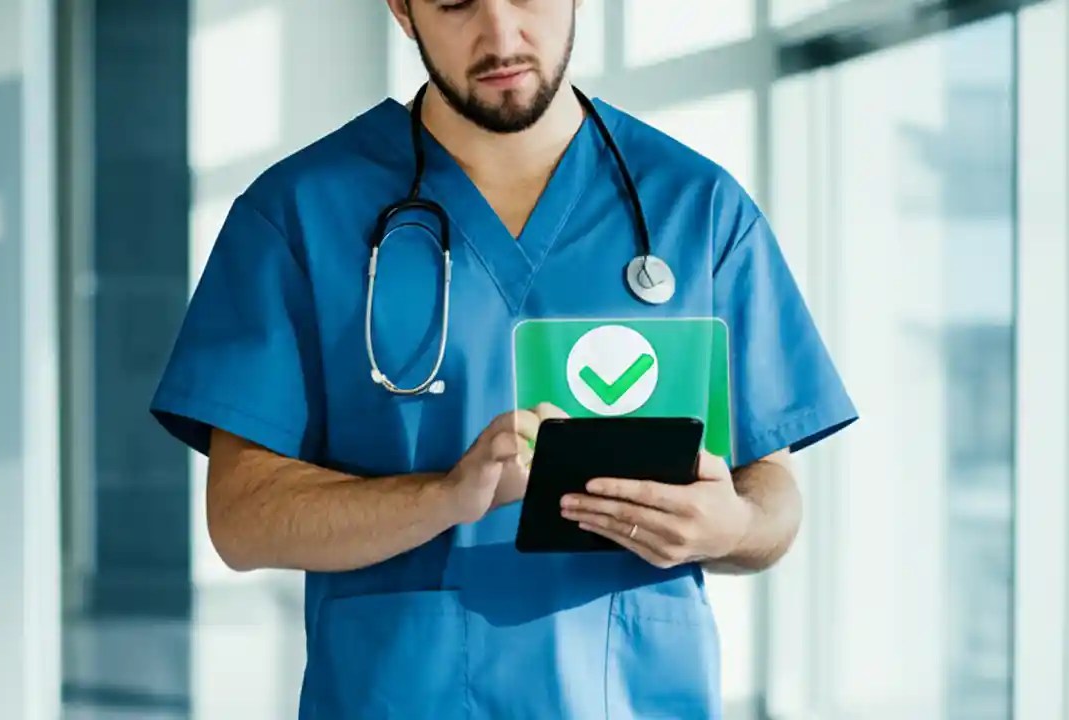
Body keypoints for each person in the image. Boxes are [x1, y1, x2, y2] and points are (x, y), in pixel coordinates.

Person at [150, 0, 858, 717]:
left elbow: (772, 492)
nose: (500, 34)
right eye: (457, 2)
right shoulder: (299, 213)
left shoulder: (698, 209)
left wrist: (730, 527)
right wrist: (444, 498)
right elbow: (241, 517)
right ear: (402, 9)